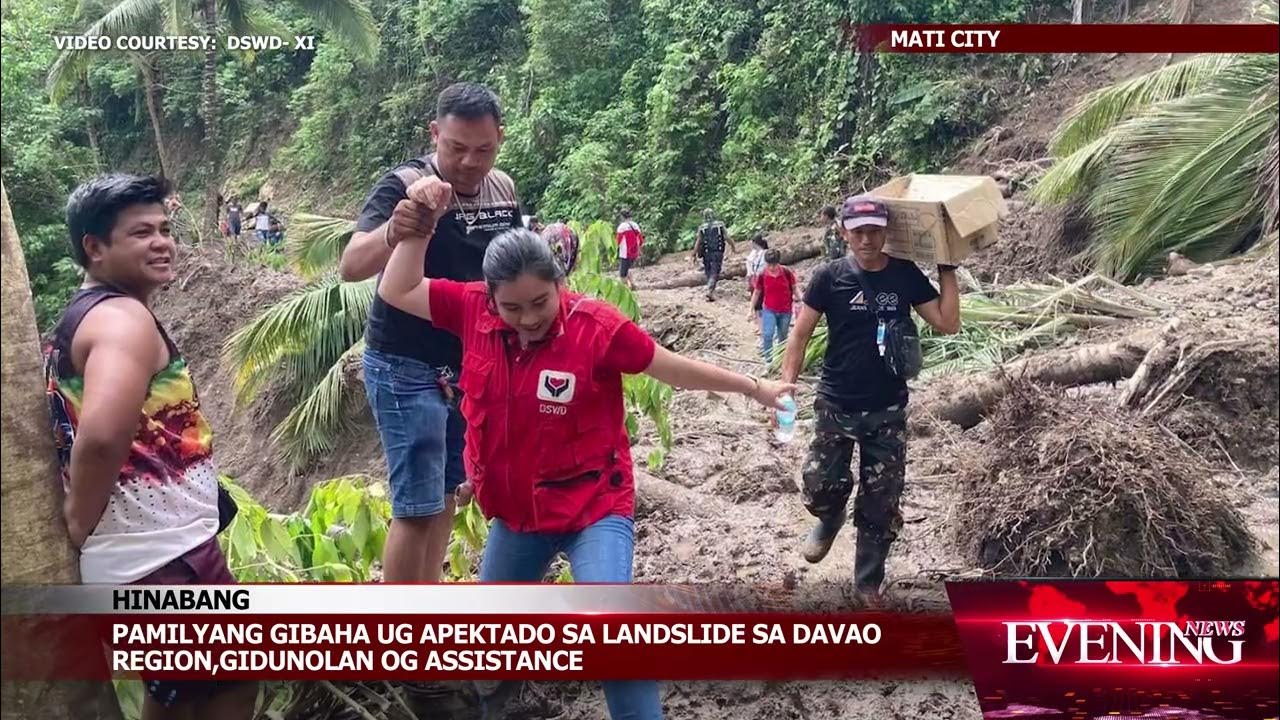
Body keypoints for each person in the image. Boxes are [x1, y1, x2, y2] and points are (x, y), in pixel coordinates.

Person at [377, 196, 794, 718]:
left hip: (593, 507)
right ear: (490, 299)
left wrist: (755, 387)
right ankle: (500, 698)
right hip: (518, 517)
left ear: (559, 284)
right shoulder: (470, 309)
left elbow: (672, 368)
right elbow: (398, 288)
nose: (528, 318)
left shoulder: (597, 327)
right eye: (512, 307)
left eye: (540, 302)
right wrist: (416, 226)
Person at [44, 174, 256, 719]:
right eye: (141, 232)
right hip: (162, 559)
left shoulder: (85, 316)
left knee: (186, 694)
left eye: (164, 228)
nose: (163, 242)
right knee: (230, 684)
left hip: (157, 554)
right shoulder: (121, 319)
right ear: (95, 247)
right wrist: (75, 521)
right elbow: (102, 436)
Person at [337, 81, 521, 584]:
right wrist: (399, 228)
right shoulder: (404, 184)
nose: (469, 161)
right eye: (456, 147)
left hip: (466, 364)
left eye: (483, 149)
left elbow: (507, 269)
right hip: (404, 362)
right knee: (415, 506)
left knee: (443, 493)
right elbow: (351, 266)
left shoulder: (503, 188)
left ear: (500, 139)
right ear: (434, 133)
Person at [780, 194, 960, 601]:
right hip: (836, 402)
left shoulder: (905, 275)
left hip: (887, 407)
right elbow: (800, 334)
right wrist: (787, 385)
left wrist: (947, 267)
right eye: (858, 232)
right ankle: (829, 518)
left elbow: (948, 322)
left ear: (885, 232)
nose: (866, 239)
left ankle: (866, 583)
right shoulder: (828, 277)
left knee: (882, 502)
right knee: (819, 484)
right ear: (844, 233)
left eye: (874, 231)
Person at [750, 249, 798, 363]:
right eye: (769, 265)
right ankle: (769, 361)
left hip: (785, 310)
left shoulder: (786, 272)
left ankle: (781, 361)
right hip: (769, 309)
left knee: (782, 338)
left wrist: (803, 300)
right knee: (767, 335)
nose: (772, 267)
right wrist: (750, 308)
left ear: (778, 262)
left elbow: (795, 288)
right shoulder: (762, 275)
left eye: (774, 265)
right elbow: (757, 292)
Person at [692, 208, 732, 301]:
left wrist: (694, 254)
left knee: (708, 271)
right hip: (717, 251)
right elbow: (726, 237)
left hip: (706, 252)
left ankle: (710, 290)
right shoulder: (720, 225)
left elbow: (698, 241)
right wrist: (733, 246)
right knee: (715, 271)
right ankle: (710, 290)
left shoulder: (702, 227)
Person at [744, 234, 768, 332]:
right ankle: (759, 326)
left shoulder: (763, 254)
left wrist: (749, 278)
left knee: (759, 302)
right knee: (758, 303)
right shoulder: (754, 254)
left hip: (760, 279)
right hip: (757, 279)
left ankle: (761, 326)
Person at [615, 208, 644, 287]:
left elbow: (618, 241)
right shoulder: (635, 225)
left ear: (622, 217)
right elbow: (640, 239)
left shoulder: (622, 227)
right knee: (628, 268)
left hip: (625, 252)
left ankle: (625, 288)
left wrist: (615, 250)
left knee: (623, 273)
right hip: (634, 251)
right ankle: (633, 284)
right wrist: (639, 249)